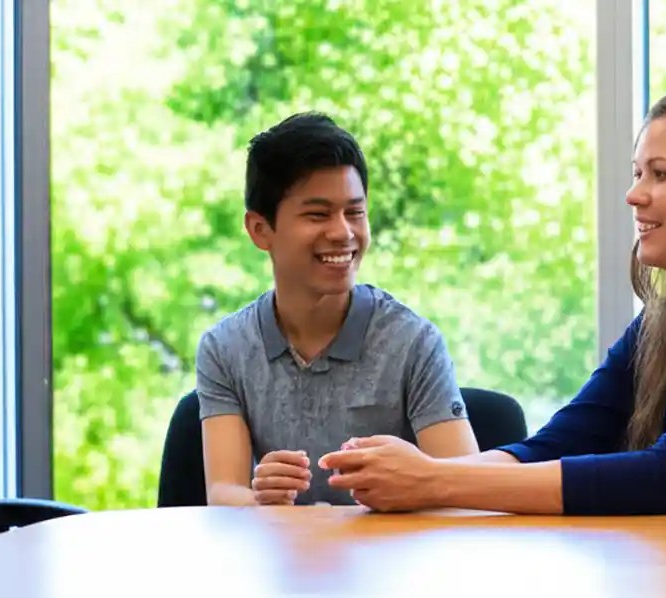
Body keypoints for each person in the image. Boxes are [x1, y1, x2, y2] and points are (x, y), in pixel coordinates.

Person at [319, 87, 666, 515]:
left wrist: (435, 480)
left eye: (661, 174)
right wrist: (414, 481)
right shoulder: (661, 329)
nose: (634, 194)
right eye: (637, 173)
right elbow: (557, 445)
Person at [197, 112, 478, 507]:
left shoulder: (412, 342)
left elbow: (466, 487)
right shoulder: (225, 348)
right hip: (278, 561)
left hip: (389, 561)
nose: (343, 233)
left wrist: (414, 482)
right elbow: (223, 492)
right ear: (260, 230)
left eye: (355, 212)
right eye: (318, 214)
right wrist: (260, 500)